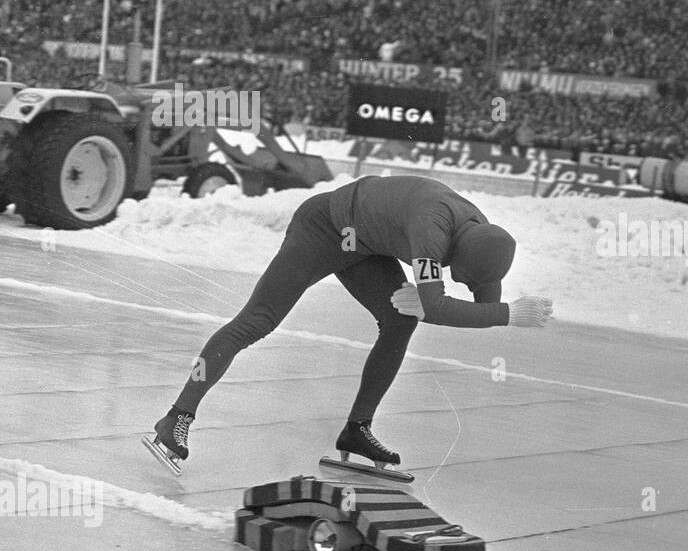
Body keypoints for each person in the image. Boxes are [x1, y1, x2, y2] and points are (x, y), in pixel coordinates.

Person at [148, 175, 553, 471]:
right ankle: (177, 417)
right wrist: (501, 314)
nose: (459, 279)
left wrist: (464, 305)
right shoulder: (433, 228)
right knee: (257, 321)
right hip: (324, 227)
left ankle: (357, 429)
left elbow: (480, 301)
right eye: (458, 275)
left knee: (398, 323)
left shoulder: (487, 239)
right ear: (454, 253)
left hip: (367, 243)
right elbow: (448, 309)